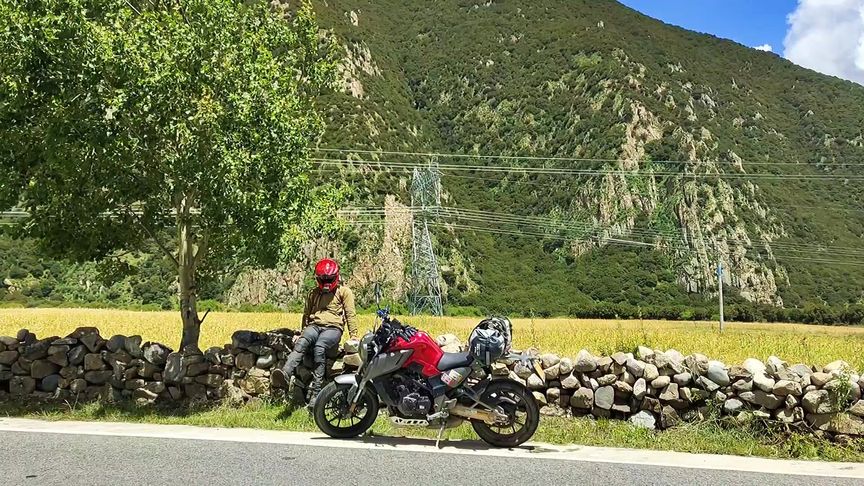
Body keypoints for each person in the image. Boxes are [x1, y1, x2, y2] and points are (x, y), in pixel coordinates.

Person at [272, 258, 358, 408]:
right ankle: (285, 373)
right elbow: (306, 314)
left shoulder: (344, 292)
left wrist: (354, 336)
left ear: (335, 277)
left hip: (333, 328)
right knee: (302, 342)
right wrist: (302, 331)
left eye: (329, 279)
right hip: (315, 325)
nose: (326, 282)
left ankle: (316, 393)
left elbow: (350, 314)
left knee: (320, 347)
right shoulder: (313, 293)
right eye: (323, 279)